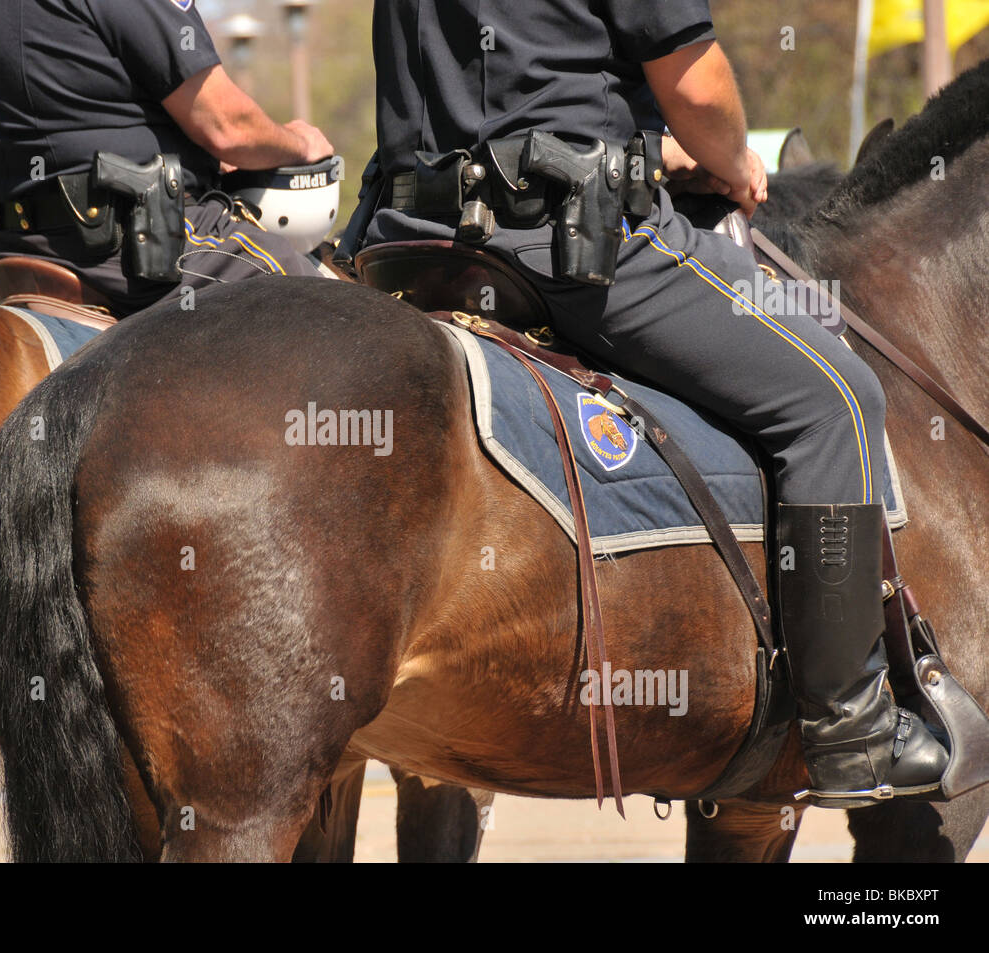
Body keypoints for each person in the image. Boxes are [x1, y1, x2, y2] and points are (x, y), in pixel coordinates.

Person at [359, 0, 949, 804]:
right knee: (839, 398)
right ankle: (852, 728)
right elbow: (698, 86)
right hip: (567, 245)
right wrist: (732, 158)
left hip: (412, 237)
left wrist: (652, 151)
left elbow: (501, 91)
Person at [0, 0, 333, 316]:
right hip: (129, 254)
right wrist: (299, 143)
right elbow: (228, 126)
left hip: (6, 246)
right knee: (331, 310)